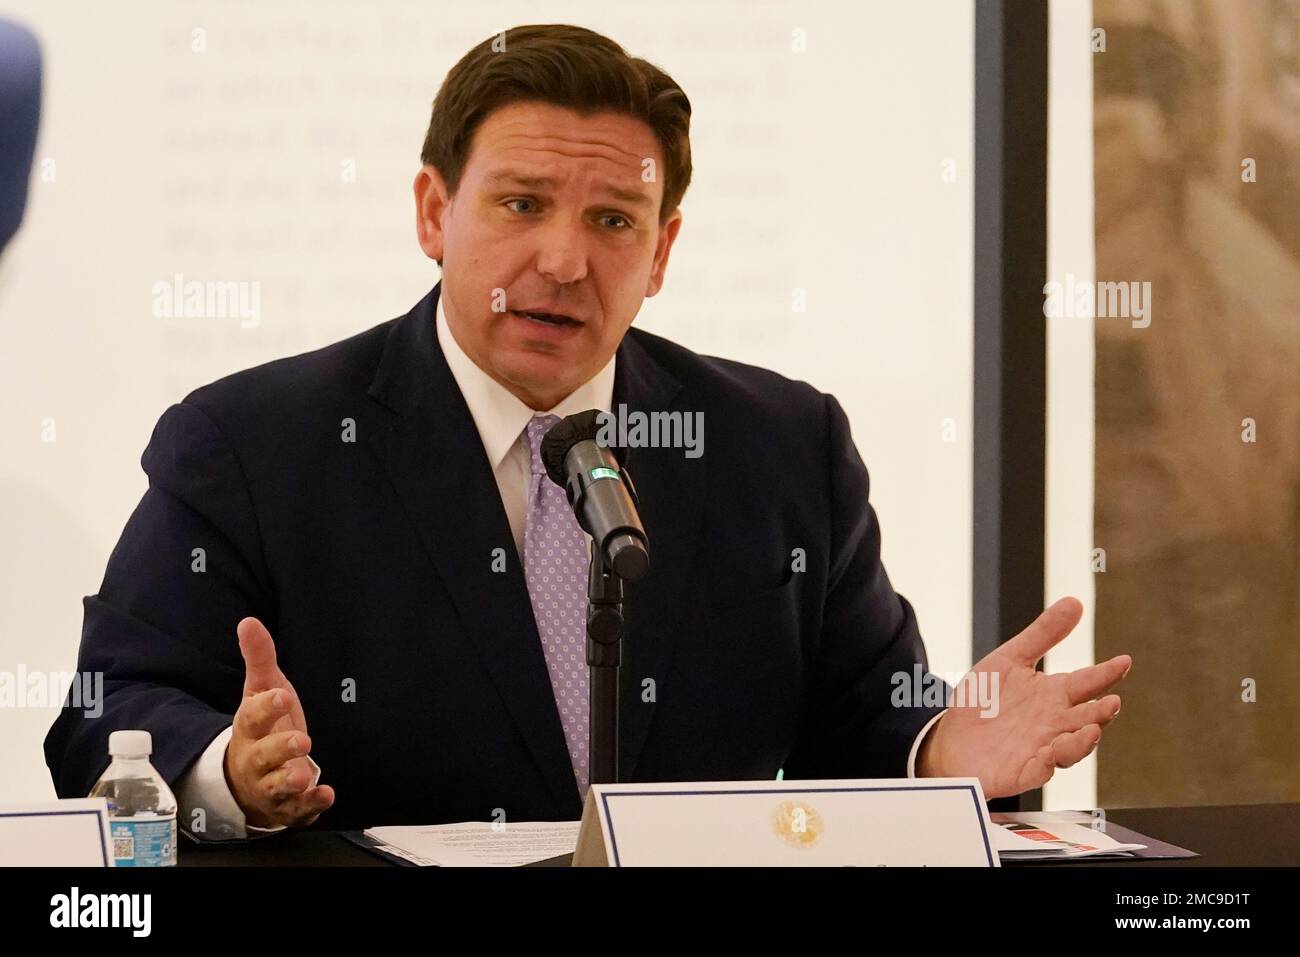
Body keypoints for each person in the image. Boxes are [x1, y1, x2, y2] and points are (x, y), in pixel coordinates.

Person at [45, 24, 1129, 839]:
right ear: (434, 212)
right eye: (521, 205)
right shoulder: (254, 441)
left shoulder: (780, 445)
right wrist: (226, 776)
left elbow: (856, 724)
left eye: (613, 221)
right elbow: (109, 712)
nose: (564, 261)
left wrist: (940, 752)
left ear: (660, 254)